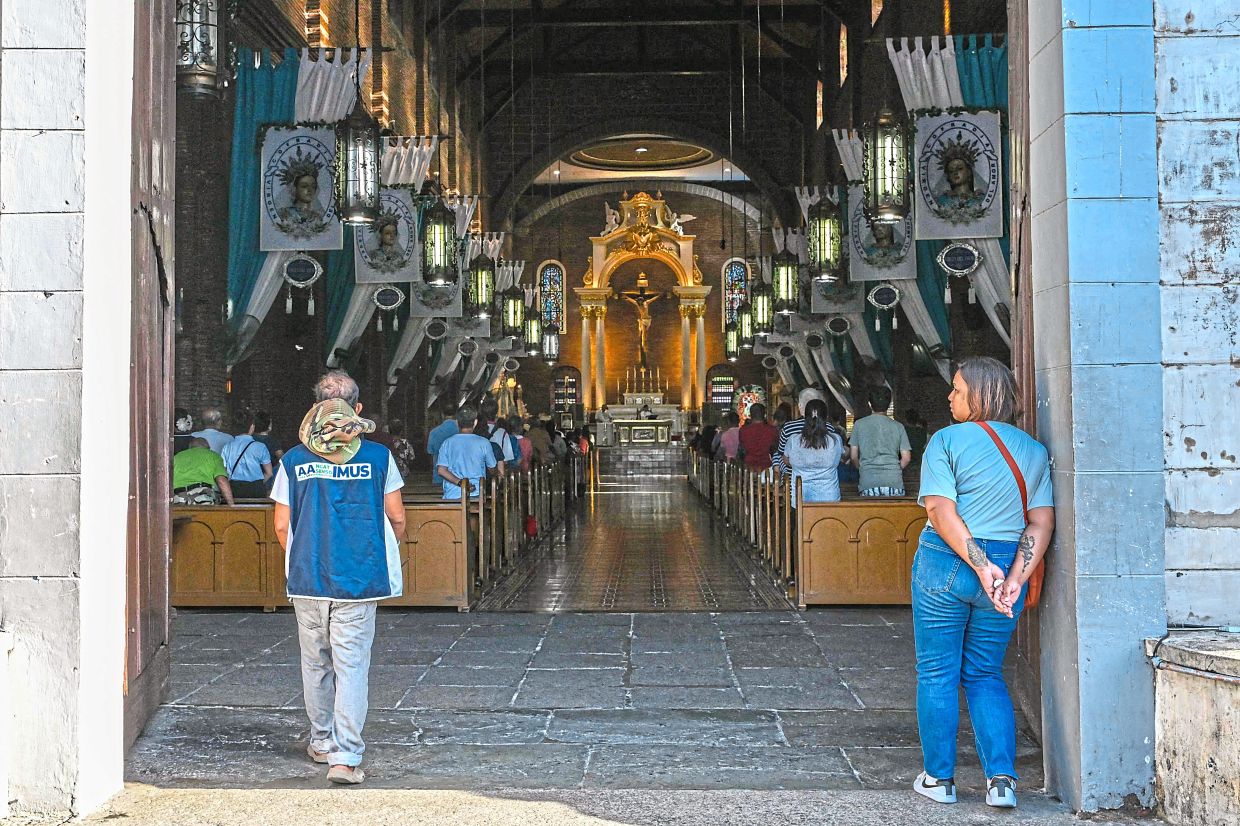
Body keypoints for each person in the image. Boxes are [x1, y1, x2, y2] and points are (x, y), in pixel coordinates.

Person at [912, 357, 1054, 810]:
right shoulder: (1031, 450)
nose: (949, 397)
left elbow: (940, 511)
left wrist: (977, 563)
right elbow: (1040, 523)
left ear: (979, 394)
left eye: (956, 389)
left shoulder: (945, 441)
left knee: (937, 672)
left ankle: (939, 780)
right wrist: (1013, 577)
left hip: (947, 563)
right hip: (1005, 566)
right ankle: (1002, 783)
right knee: (986, 673)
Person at [270, 371, 406, 786]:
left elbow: (280, 525)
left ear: (314, 409)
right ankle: (344, 758)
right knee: (351, 666)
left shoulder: (293, 460)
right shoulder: (379, 458)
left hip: (308, 578)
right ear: (357, 410)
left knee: (315, 664)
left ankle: (322, 739)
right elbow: (397, 517)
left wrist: (305, 557)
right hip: (358, 580)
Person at [849, 385, 912, 497]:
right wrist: (894, 469)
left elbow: (853, 456)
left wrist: (863, 469)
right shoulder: (898, 426)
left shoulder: (859, 425)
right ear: (889, 404)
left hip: (868, 483)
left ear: (869, 403)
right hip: (894, 483)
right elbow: (906, 458)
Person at [781, 399, 843, 504]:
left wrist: (803, 464)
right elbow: (841, 457)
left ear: (805, 417)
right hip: (829, 495)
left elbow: (786, 460)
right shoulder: (835, 440)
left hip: (800, 496)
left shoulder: (793, 440)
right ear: (826, 417)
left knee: (800, 520)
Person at [435, 405, 499, 499]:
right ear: (475, 422)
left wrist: (460, 483)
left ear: (457, 423)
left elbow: (441, 470)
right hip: (476, 494)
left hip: (452, 495)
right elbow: (492, 468)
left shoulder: (447, 443)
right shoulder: (484, 443)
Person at [773, 388, 840, 475]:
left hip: (794, 480)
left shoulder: (788, 428)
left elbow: (782, 455)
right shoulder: (829, 428)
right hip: (824, 480)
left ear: (800, 407)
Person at [220, 412, 275, 499]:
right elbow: (269, 473)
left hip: (235, 488)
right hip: (256, 488)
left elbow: (224, 472)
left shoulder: (227, 447)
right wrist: (258, 483)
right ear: (252, 427)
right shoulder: (260, 446)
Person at [171, 437, 234, 505]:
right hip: (203, 495)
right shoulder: (213, 456)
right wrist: (231, 504)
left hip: (179, 496)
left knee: (180, 515)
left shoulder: (177, 457)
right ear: (208, 448)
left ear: (189, 447)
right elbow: (221, 480)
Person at [737, 403, 778, 473]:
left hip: (748, 467)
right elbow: (775, 450)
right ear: (764, 414)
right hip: (766, 467)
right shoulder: (772, 430)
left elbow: (741, 450)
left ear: (750, 414)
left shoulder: (743, 430)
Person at [426, 401, 459, 484]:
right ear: (457, 414)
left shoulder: (434, 432)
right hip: (459, 479)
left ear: (442, 414)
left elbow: (430, 454)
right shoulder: (461, 431)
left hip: (439, 478)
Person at [479, 397, 514, 474]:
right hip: (496, 474)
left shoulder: (476, 431)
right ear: (496, 413)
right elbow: (506, 459)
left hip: (478, 473)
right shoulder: (502, 432)